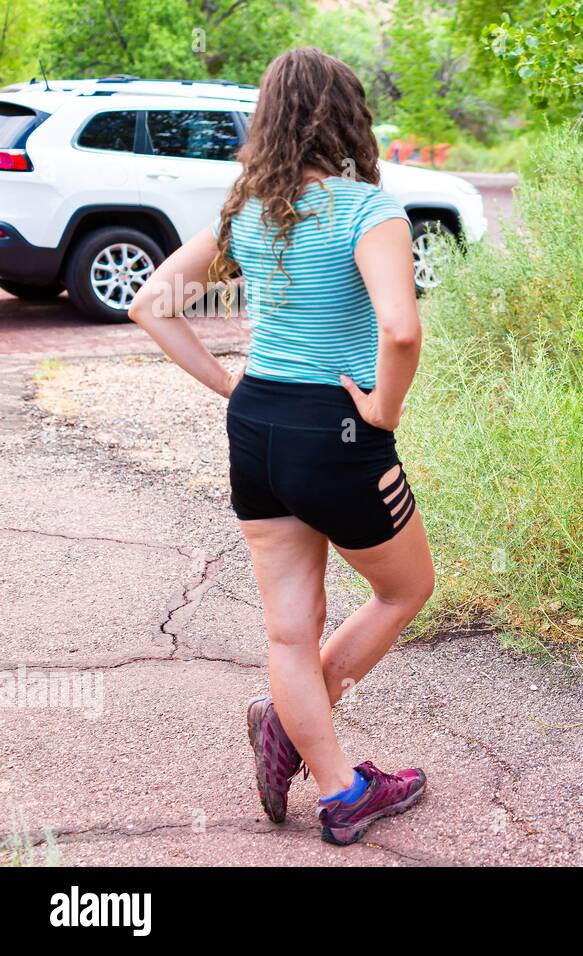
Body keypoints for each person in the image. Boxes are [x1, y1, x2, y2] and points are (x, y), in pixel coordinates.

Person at [129, 47, 436, 846]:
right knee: (405, 592)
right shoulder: (371, 210)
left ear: (268, 117)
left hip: (257, 428)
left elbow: (151, 304)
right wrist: (380, 412)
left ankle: (336, 785)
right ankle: (308, 749)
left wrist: (232, 388)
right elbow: (401, 329)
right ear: (347, 114)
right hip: (335, 433)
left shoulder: (248, 211)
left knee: (288, 634)